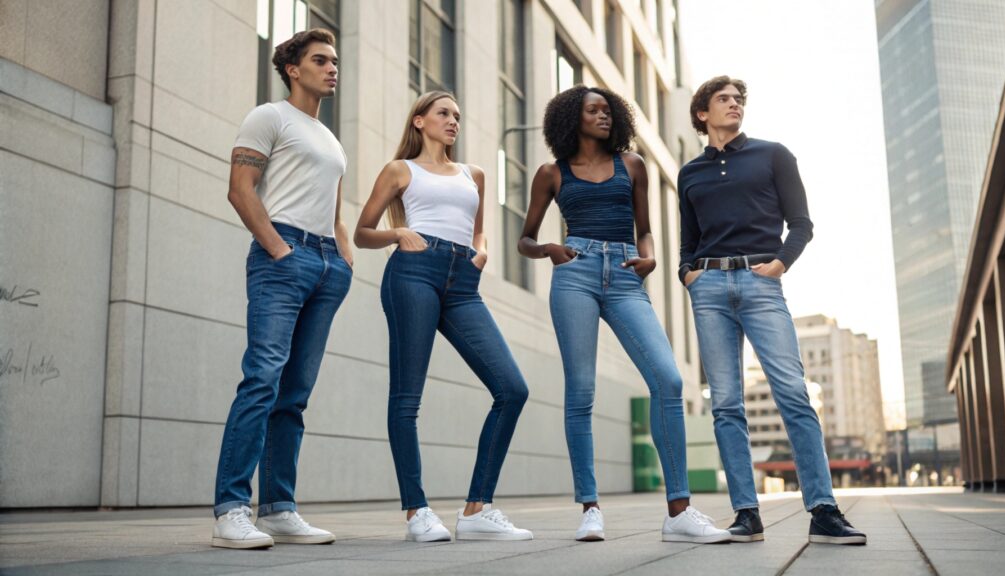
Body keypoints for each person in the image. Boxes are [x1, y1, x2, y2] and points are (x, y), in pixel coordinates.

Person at [518, 85, 731, 544]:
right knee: (581, 389)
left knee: (668, 379)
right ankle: (590, 507)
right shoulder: (551, 174)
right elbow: (526, 239)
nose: (604, 117)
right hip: (574, 273)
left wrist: (649, 258)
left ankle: (679, 511)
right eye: (593, 110)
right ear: (572, 118)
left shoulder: (632, 165)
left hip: (625, 273)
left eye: (608, 111)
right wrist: (550, 249)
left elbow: (646, 231)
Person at [678, 75, 866, 545]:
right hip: (709, 288)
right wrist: (687, 271)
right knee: (725, 404)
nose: (734, 105)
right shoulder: (691, 173)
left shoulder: (773, 154)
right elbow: (688, 236)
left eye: (738, 99)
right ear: (702, 113)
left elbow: (801, 223)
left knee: (792, 393)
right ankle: (747, 514)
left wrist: (779, 264)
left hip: (761, 284)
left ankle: (823, 509)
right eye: (723, 99)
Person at [354, 91, 532, 542]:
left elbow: (477, 230)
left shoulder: (474, 174)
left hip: (463, 284)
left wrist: (484, 251)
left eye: (457, 114)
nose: (453, 120)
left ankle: (477, 508)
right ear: (419, 121)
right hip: (413, 274)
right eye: (443, 113)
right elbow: (361, 233)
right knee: (408, 398)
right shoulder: (401, 170)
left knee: (512, 388)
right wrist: (398, 232)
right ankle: (417, 511)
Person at [211, 28, 352, 550]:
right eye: (321, 60)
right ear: (293, 68)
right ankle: (230, 509)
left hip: (325, 264)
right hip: (283, 257)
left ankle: (277, 508)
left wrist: (342, 260)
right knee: (262, 379)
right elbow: (240, 189)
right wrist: (277, 248)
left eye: (335, 60)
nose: (332, 67)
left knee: (294, 395)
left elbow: (337, 211)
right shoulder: (269, 116)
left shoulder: (331, 139)